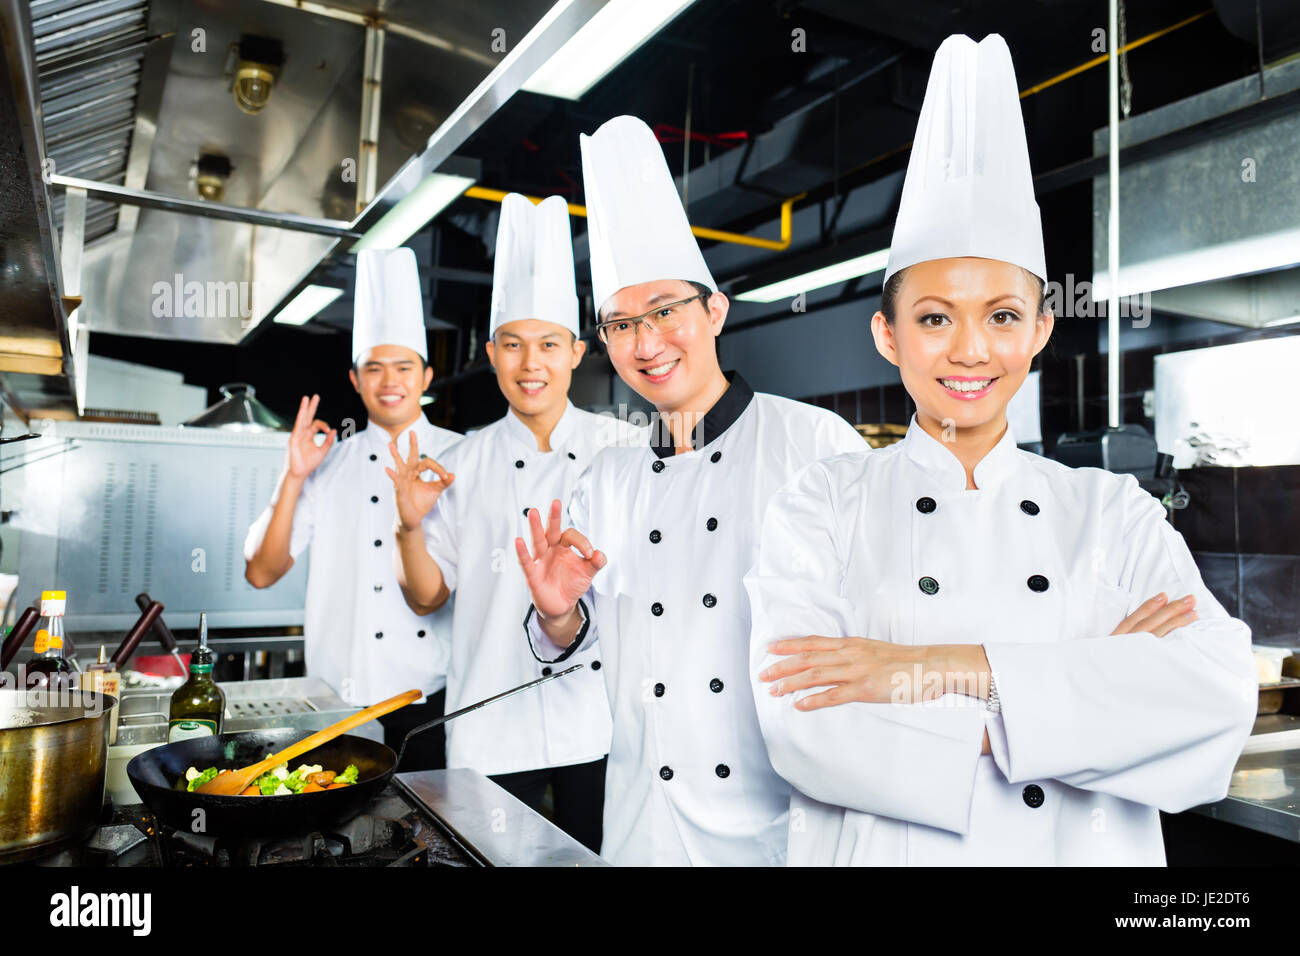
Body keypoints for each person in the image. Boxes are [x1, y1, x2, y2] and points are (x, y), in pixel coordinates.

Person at [744, 34, 1258, 866]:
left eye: (1004, 317)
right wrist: (1086, 680)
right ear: (888, 334)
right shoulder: (819, 505)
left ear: (1042, 329)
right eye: (936, 317)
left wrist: (939, 667)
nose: (971, 350)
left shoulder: (1111, 509)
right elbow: (806, 729)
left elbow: (1218, 697)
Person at [513, 115, 866, 866]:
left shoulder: (818, 447)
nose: (646, 343)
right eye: (620, 323)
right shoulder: (603, 482)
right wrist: (557, 614)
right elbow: (573, 655)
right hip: (644, 819)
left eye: (666, 311)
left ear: (714, 310)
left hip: (783, 824)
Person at [387, 194, 638, 852]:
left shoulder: (624, 453)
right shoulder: (457, 463)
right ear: (492, 353)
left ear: (578, 352)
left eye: (549, 344)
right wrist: (410, 525)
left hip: (599, 723)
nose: (532, 365)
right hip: (488, 722)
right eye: (514, 346)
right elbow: (427, 595)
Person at [244, 247, 461, 770]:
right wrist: (293, 475)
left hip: (424, 700)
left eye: (404, 367)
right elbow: (261, 572)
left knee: (421, 838)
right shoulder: (328, 463)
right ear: (354, 379)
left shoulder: (459, 458)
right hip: (333, 702)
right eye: (374, 368)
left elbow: (435, 597)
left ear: (426, 377)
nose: (390, 382)